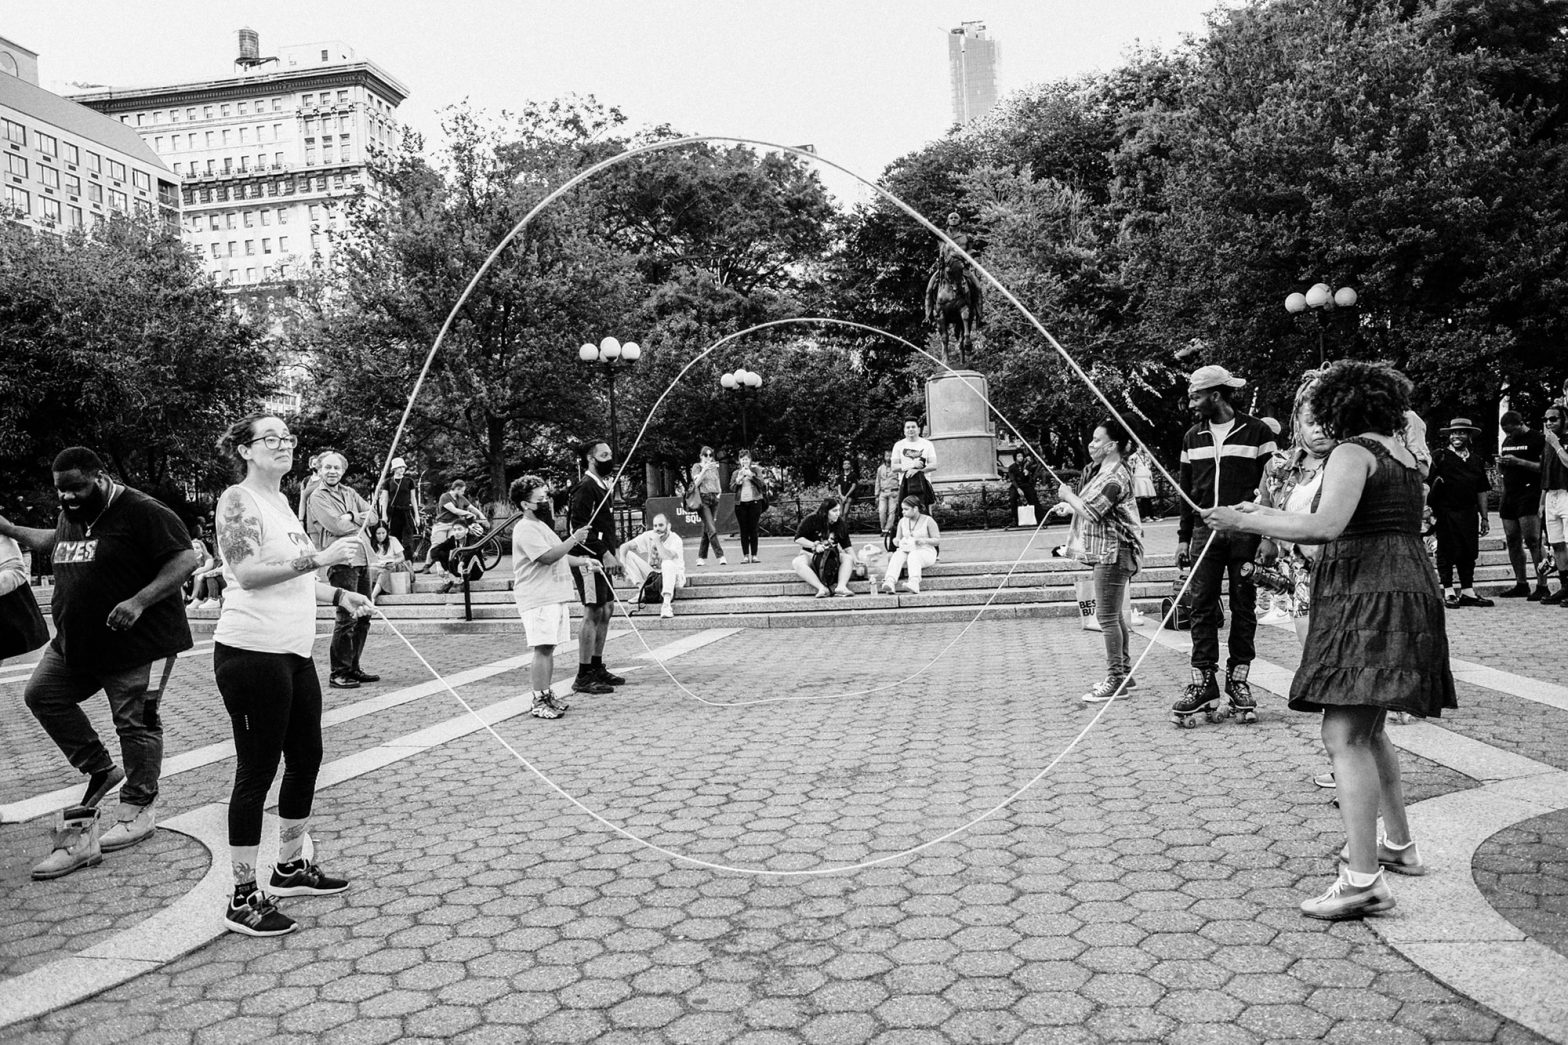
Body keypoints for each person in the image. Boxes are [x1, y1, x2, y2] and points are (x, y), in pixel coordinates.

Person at [1203, 360, 1455, 920]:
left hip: (1369, 595)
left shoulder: (1352, 451)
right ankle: (1398, 846)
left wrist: (1244, 523)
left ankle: (1362, 881)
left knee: (1343, 733)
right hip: (1401, 587)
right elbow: (1344, 519)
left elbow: (1325, 526)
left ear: (1342, 405)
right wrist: (1265, 512)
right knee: (1369, 729)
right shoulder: (1401, 450)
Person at [0, 447, 198, 879]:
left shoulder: (143, 510)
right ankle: (101, 769)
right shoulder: (72, 513)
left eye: (76, 488)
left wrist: (139, 601)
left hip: (135, 644)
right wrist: (10, 528)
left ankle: (138, 808)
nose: (68, 498)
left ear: (101, 478)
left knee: (134, 721)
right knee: (42, 696)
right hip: (76, 644)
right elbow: (55, 542)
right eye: (61, 491)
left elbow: (186, 558)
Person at [212, 414, 373, 936]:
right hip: (251, 653)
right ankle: (242, 895)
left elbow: (296, 577)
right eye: (271, 439)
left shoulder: (283, 503)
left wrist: (338, 593)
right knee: (257, 772)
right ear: (245, 450)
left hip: (294, 652)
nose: (283, 446)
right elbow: (248, 574)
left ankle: (288, 866)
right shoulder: (238, 500)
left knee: (307, 758)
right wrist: (323, 559)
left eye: (288, 439)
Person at [1171, 364, 1278, 725]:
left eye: (1196, 396)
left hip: (1246, 531)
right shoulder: (1192, 437)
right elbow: (1187, 494)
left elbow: (1272, 487)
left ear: (1216, 395)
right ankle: (1203, 681)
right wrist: (1184, 537)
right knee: (1200, 606)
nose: (1191, 404)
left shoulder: (1258, 432)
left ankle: (1239, 680)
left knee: (1244, 606)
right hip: (1204, 533)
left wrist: (1268, 535)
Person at [1053, 421, 1144, 703]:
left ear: (1112, 445)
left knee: (1106, 617)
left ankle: (1116, 679)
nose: (1092, 445)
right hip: (1110, 552)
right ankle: (1123, 675)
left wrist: (1068, 495)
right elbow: (1095, 508)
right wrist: (1070, 506)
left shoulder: (1114, 476)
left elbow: (1092, 512)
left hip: (1114, 553)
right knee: (1114, 616)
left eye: (1096, 439)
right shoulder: (1105, 472)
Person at [508, 475, 594, 719]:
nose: (546, 502)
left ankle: (546, 693)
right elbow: (545, 557)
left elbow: (557, 554)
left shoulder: (541, 526)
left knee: (549, 647)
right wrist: (574, 539)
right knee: (542, 648)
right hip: (538, 597)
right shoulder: (525, 528)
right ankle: (538, 699)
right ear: (525, 504)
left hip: (553, 596)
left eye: (546, 497)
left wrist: (584, 561)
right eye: (541, 499)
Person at [307, 451, 379, 688]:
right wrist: (354, 518)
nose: (332, 471)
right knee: (346, 616)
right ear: (319, 469)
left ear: (343, 471)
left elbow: (374, 517)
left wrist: (350, 516)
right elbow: (336, 525)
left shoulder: (350, 493)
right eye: (327, 467)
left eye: (336, 468)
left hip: (362, 557)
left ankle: (354, 667)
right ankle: (339, 672)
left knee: (364, 616)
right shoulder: (317, 497)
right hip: (342, 560)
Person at [568, 439, 627, 695]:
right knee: (592, 611)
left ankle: (596, 665)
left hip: (602, 558)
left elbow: (605, 527)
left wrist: (614, 554)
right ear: (591, 459)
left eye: (610, 454)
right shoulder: (585, 488)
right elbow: (577, 528)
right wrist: (604, 554)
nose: (609, 459)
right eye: (604, 455)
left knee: (607, 609)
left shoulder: (604, 486)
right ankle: (583, 675)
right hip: (587, 560)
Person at [1428, 418, 1493, 608]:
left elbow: (1481, 490)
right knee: (1446, 550)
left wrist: (1485, 517)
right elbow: (1427, 485)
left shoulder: (1475, 460)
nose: (1457, 436)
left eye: (1462, 432)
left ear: (1469, 436)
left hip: (1469, 512)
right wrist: (1427, 512)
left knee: (1468, 551)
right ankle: (1448, 590)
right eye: (1454, 432)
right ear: (1449, 435)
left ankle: (1467, 591)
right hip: (1445, 512)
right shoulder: (1439, 457)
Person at [1496, 410, 1547, 600]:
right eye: (1505, 432)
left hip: (1530, 493)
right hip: (1510, 494)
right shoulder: (1507, 442)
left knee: (1533, 540)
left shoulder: (1537, 439)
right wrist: (1502, 464)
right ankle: (1521, 583)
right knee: (1512, 539)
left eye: (1511, 431)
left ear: (1520, 424)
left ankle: (1542, 585)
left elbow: (1544, 468)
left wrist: (1519, 462)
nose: (1509, 435)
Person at [621, 513, 686, 618]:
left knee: (667, 563)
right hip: (655, 576)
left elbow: (666, 556)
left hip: (675, 577)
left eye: (661, 525)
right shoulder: (649, 535)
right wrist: (622, 564)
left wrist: (657, 541)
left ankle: (666, 604)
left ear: (668, 526)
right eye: (655, 526)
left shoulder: (675, 539)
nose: (657, 529)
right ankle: (642, 590)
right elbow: (624, 547)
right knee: (627, 554)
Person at [792, 497, 855, 598]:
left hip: (831, 557)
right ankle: (821, 588)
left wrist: (856, 560)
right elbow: (798, 538)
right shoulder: (812, 519)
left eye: (839, 510)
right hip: (811, 555)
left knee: (848, 558)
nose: (838, 513)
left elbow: (847, 546)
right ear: (826, 511)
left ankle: (841, 587)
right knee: (797, 562)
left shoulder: (840, 523)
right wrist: (814, 545)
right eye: (834, 511)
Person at [880, 496, 941, 595]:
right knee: (897, 555)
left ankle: (914, 582)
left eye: (906, 509)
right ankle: (890, 581)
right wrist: (897, 542)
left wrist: (923, 541)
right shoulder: (902, 521)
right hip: (906, 549)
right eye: (902, 509)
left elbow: (937, 540)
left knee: (914, 555)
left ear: (915, 509)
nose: (903, 512)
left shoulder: (928, 520)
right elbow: (897, 538)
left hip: (925, 551)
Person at [1540, 406, 1568, 605]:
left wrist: (1557, 444)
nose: (1549, 422)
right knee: (1556, 542)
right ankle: (1565, 585)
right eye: (1546, 419)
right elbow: (1545, 472)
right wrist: (1542, 502)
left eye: (1554, 419)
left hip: (1567, 492)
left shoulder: (1557, 441)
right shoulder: (1548, 442)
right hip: (1551, 494)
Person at [689, 446, 727, 566]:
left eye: (711, 455)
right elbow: (696, 483)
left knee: (707, 530)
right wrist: (704, 469)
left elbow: (717, 481)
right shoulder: (697, 467)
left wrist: (719, 493)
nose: (709, 458)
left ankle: (701, 557)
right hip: (703, 499)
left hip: (714, 499)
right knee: (711, 528)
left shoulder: (714, 468)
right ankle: (720, 555)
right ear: (701, 456)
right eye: (706, 455)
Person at [374, 457, 421, 551]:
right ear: (394, 469)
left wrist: (417, 515)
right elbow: (385, 499)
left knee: (408, 540)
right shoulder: (388, 482)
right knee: (395, 538)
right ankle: (397, 562)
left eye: (403, 467)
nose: (402, 469)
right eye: (399, 467)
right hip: (394, 513)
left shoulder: (409, 481)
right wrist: (384, 515)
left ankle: (408, 562)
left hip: (406, 511)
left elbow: (413, 499)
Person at [731, 451, 769, 563]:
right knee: (743, 530)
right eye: (742, 459)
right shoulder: (736, 473)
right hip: (740, 504)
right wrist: (738, 480)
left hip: (755, 502)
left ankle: (755, 555)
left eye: (746, 459)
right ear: (739, 461)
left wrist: (751, 476)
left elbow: (762, 484)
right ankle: (746, 556)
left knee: (753, 529)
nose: (745, 461)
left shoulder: (755, 470)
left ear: (750, 460)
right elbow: (732, 488)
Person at [891, 420, 938, 511]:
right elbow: (894, 467)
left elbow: (934, 465)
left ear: (918, 429)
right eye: (908, 427)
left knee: (925, 513)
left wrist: (918, 470)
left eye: (913, 427)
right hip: (905, 485)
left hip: (923, 485)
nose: (910, 429)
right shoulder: (898, 445)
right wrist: (912, 464)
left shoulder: (927, 444)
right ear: (904, 430)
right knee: (907, 514)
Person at [367, 521, 410, 604]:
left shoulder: (392, 540)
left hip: (391, 565)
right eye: (378, 533)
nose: (381, 536)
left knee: (385, 571)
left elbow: (402, 557)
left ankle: (372, 596)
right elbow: (368, 560)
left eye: (383, 533)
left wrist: (393, 562)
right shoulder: (370, 542)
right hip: (376, 565)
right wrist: (377, 564)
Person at [874, 451, 901, 539]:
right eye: (887, 455)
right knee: (882, 511)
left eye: (890, 456)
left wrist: (899, 492)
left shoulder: (897, 468)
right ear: (884, 457)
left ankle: (887, 529)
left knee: (891, 512)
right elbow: (877, 481)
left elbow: (900, 481)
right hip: (883, 492)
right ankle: (883, 528)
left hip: (893, 492)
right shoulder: (880, 468)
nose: (888, 457)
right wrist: (876, 495)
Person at [1130, 450, 1159, 520]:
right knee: (1144, 497)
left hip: (1146, 477)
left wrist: (1150, 475)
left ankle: (1151, 515)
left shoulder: (1147, 456)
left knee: (1148, 497)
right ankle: (1146, 516)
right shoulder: (1134, 456)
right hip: (1139, 477)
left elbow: (1149, 467)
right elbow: (1131, 467)